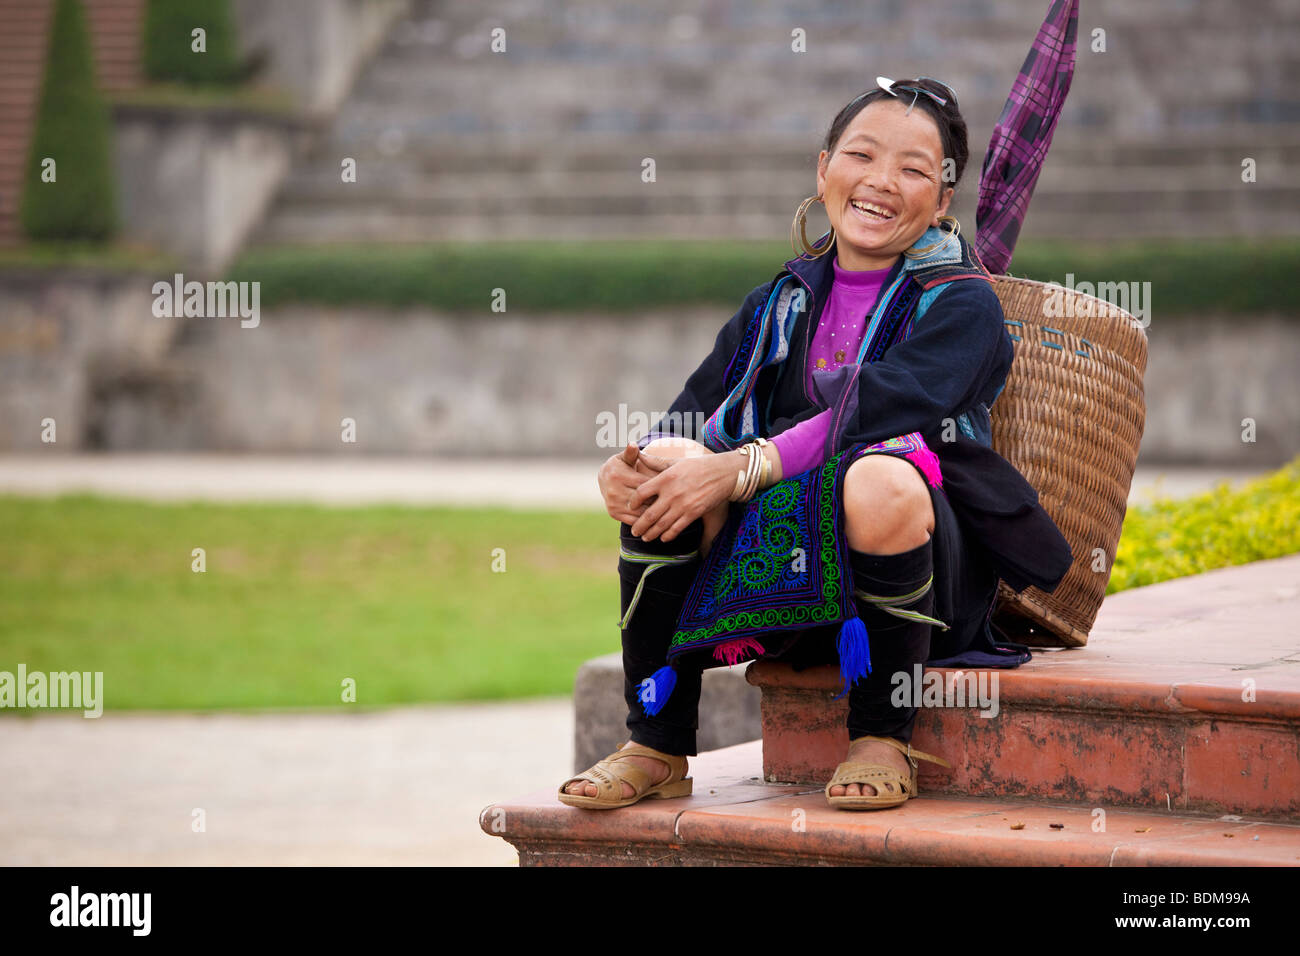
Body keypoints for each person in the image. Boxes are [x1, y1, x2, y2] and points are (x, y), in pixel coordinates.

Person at [560, 77, 1072, 811]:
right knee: (665, 473)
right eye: (861, 155)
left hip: (921, 577)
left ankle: (881, 736)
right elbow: (691, 414)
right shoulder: (779, 300)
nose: (881, 182)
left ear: (944, 199)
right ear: (824, 167)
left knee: (877, 479)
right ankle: (656, 743)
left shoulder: (963, 302)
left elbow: (875, 413)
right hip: (786, 577)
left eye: (914, 169)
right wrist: (631, 463)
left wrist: (741, 468)